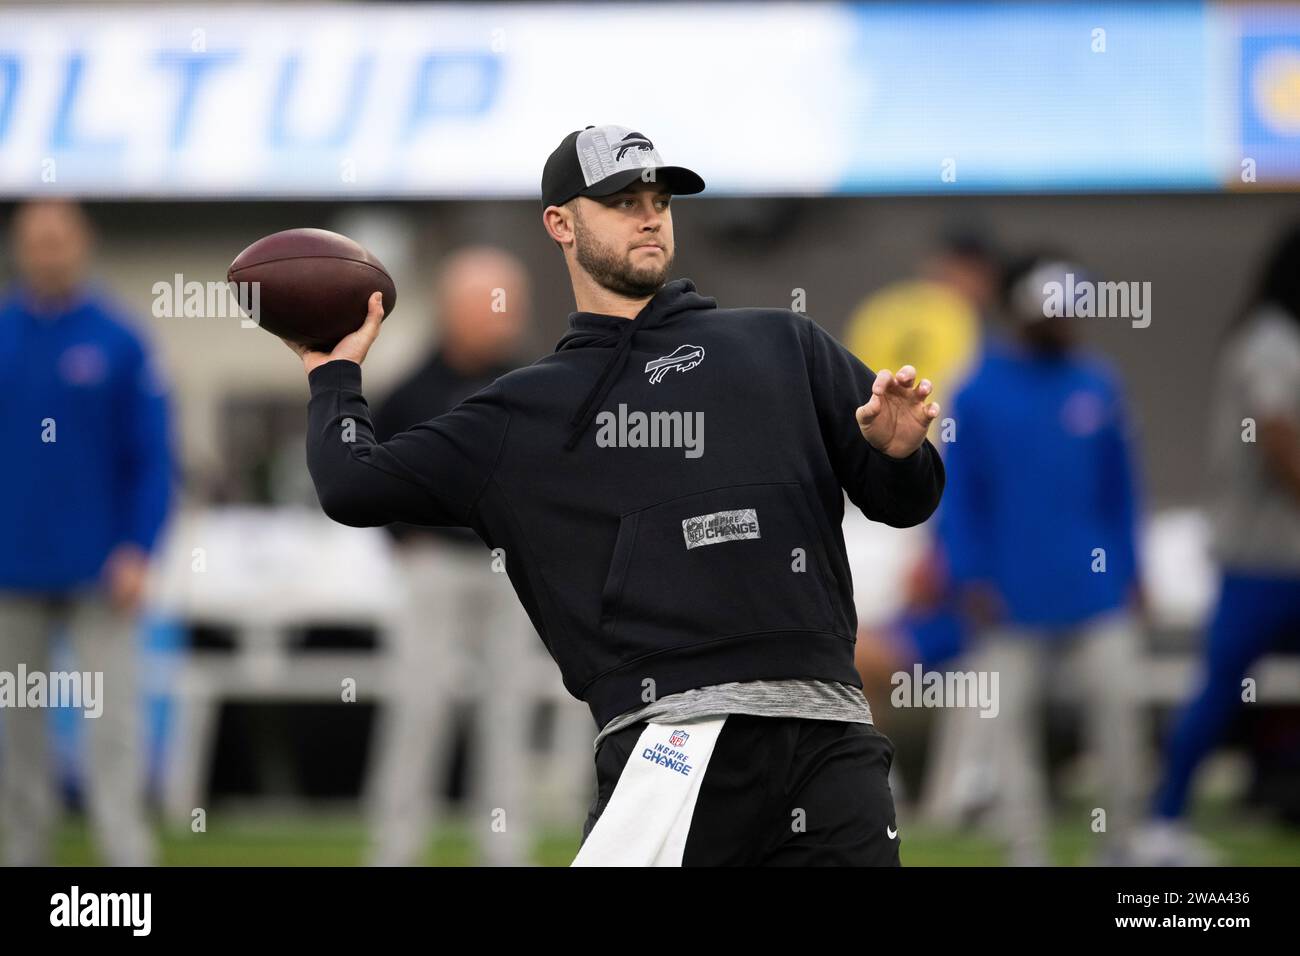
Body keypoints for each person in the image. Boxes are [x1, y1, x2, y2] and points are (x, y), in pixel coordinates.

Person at [284, 125, 945, 865]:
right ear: (560, 224)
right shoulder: (526, 411)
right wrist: (333, 373)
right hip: (672, 747)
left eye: (658, 199)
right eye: (622, 200)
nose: (649, 215)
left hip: (831, 736)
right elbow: (350, 483)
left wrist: (900, 453)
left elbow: (905, 501)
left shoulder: (785, 345)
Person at [933, 253, 1147, 865]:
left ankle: (1122, 846)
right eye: (1056, 313)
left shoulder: (1098, 382)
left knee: (1119, 716)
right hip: (1006, 592)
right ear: (1023, 312)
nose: (1069, 324)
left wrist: (1133, 570)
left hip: (1095, 588)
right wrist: (968, 574)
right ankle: (1027, 849)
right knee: (1007, 731)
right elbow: (960, 494)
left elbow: (1122, 490)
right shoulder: (975, 391)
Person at [0, 199, 173, 866]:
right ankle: (24, 850)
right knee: (17, 727)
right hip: (12, 569)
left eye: (59, 240)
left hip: (103, 569)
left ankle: (125, 853)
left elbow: (153, 455)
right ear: (20, 249)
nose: (48, 253)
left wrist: (139, 545)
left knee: (113, 724)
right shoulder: (5, 335)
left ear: (83, 246)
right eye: (36, 241)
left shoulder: (119, 339)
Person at [364, 246, 544, 866]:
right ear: (456, 309)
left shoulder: (527, 386)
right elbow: (368, 471)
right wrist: (401, 539)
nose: (507, 317)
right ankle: (395, 848)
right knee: (419, 710)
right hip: (434, 569)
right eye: (495, 304)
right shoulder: (411, 391)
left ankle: (503, 850)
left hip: (506, 572)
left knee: (506, 711)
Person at [1136, 224, 1300, 865]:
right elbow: (1278, 437)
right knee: (1222, 684)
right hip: (1263, 557)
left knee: (1226, 685)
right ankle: (1162, 821)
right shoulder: (1270, 343)